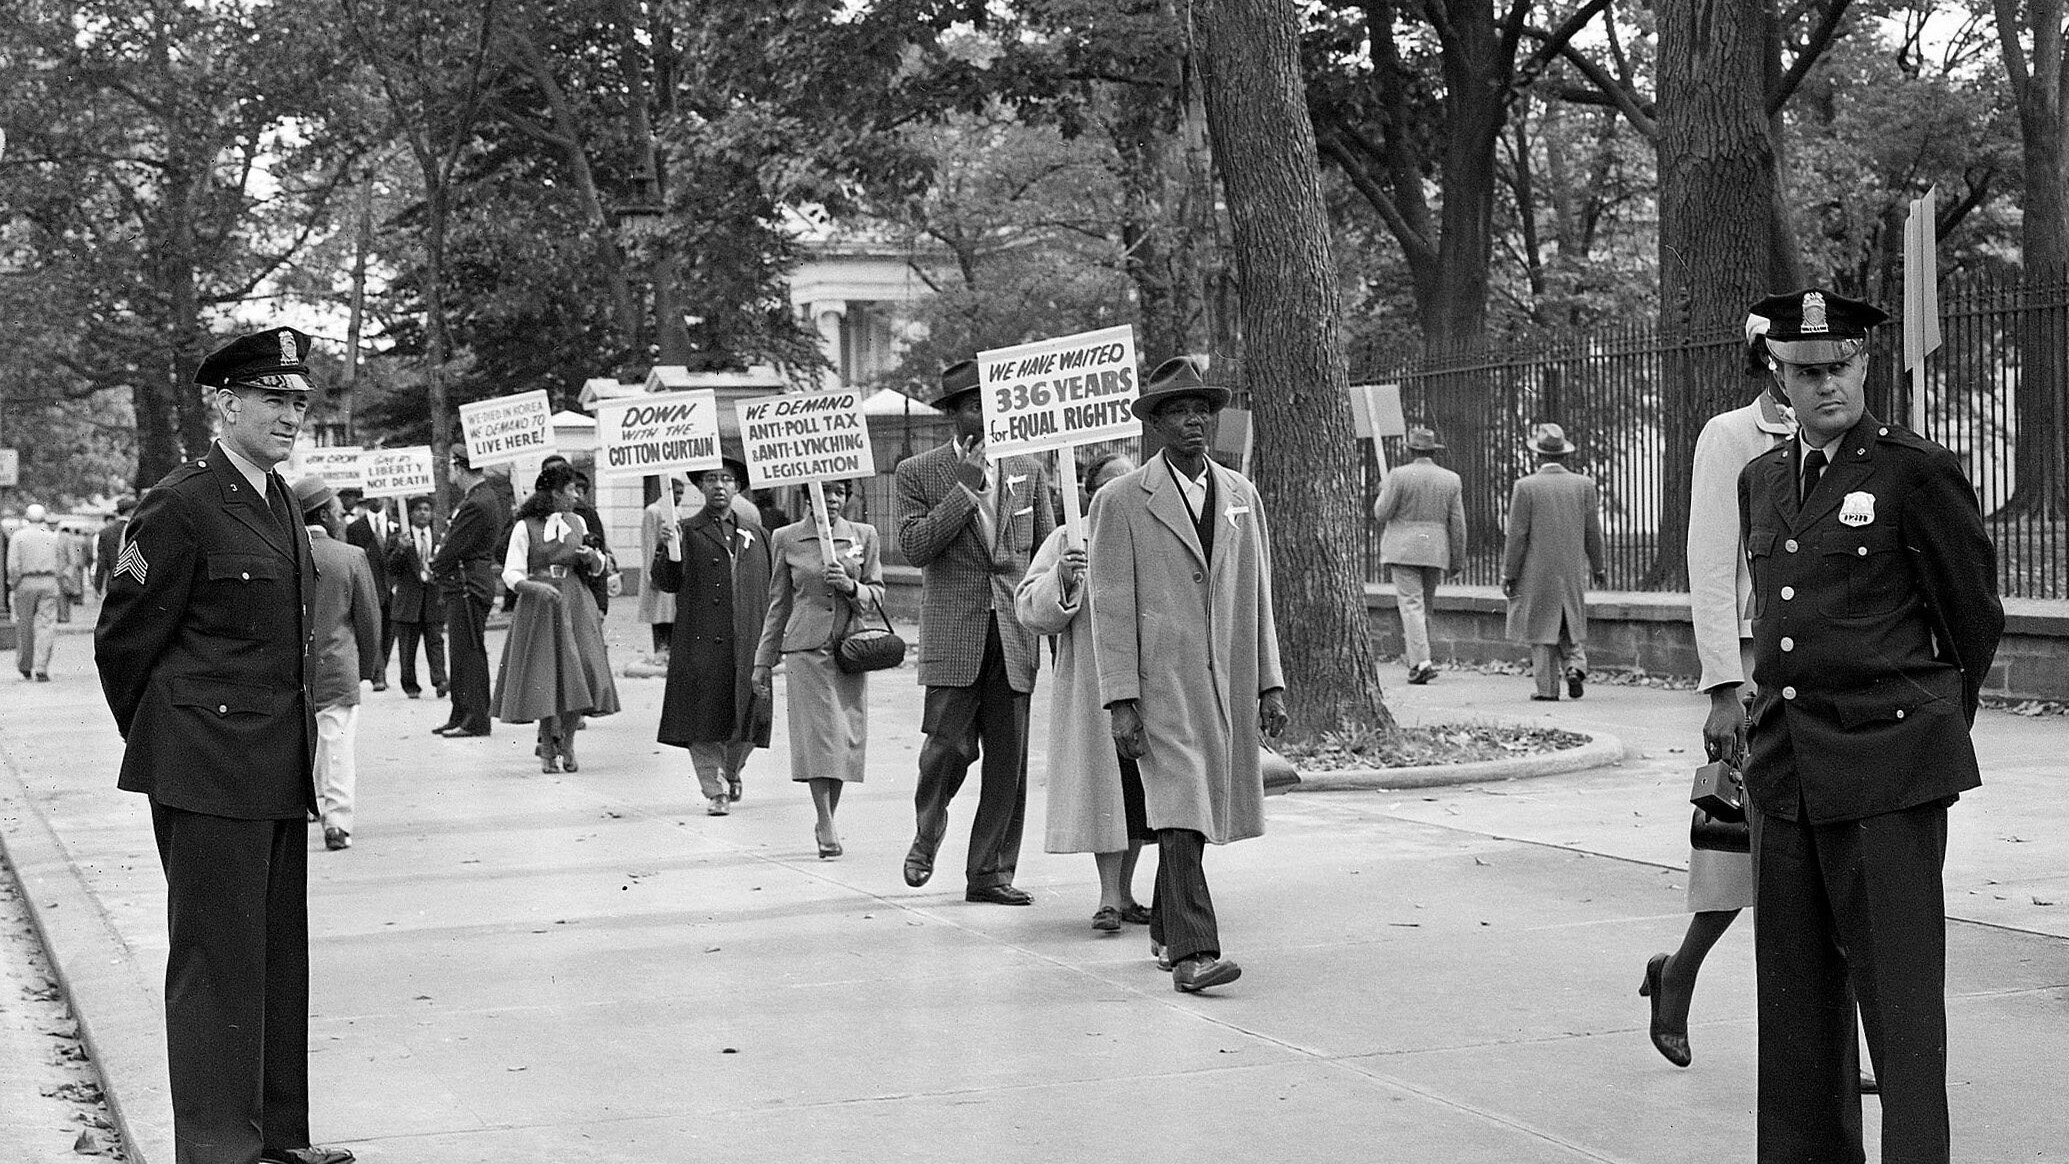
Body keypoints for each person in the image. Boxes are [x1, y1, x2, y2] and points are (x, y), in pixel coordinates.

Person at [1736, 288, 2003, 1164]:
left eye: (1839, 368)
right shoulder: (1762, 478)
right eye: (1805, 371)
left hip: (1887, 770)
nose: (1825, 386)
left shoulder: (1910, 470)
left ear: (1863, 365)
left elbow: (1971, 615)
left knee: (1899, 1011)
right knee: (1794, 1008)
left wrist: (1926, 734)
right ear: (1777, 378)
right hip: (1788, 770)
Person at [94, 325, 356, 1164]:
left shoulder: (278, 496)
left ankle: (277, 1137)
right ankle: (216, 1148)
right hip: (206, 767)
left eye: (299, 404)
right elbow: (123, 641)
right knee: (215, 964)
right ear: (225, 404)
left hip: (276, 763)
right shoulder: (180, 501)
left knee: (277, 957)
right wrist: (175, 740)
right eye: (275, 402)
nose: (291, 418)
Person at [1089, 355, 1286, 993]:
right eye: (1178, 411)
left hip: (1223, 677)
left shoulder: (1241, 495)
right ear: (1156, 425)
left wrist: (1269, 681)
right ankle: (1195, 954)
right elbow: (1110, 605)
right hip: (1159, 681)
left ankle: (1167, 927)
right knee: (1179, 806)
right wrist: (1119, 696)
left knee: (1193, 807)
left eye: (1201, 409)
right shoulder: (1119, 500)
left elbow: (1257, 594)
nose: (1193, 420)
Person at [1640, 314, 1795, 1071]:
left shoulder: (1852, 430)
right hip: (1755, 669)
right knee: (1735, 847)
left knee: (1836, 858)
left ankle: (1828, 1037)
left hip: (1831, 667)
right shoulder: (1730, 436)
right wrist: (1721, 687)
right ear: (1764, 358)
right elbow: (1709, 563)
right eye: (1790, 352)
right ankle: (1677, 974)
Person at [894, 358, 1055, 905]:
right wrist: (963, 493)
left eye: (992, 404)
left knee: (1008, 761)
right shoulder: (917, 472)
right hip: (954, 634)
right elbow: (915, 548)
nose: (983, 416)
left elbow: (1046, 554)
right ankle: (928, 827)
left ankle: (990, 872)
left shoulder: (1029, 470)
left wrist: (1060, 611)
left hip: (1014, 633)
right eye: (971, 405)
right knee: (946, 748)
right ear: (952, 415)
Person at [1017, 451, 1155, 932]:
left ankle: (1128, 891)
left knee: (1141, 794)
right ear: (1093, 493)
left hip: (1150, 681)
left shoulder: (1152, 532)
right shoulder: (1068, 540)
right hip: (1096, 686)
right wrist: (1064, 577)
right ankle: (1108, 897)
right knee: (1107, 787)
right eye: (1108, 484)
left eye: (1128, 481)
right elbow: (1029, 610)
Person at [751, 479, 886, 858]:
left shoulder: (864, 535)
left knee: (843, 739)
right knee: (818, 739)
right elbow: (778, 602)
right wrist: (764, 660)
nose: (831, 499)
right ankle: (825, 822)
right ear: (806, 497)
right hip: (805, 650)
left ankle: (827, 816)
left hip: (850, 649)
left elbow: (877, 593)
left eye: (839, 492)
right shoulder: (786, 538)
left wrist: (851, 586)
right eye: (823, 492)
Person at [653, 458, 773, 815]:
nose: (719, 485)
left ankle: (732, 768)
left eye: (727, 479)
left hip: (748, 642)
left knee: (750, 717)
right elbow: (667, 583)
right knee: (703, 719)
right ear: (700, 487)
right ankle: (714, 789)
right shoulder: (686, 531)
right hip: (701, 641)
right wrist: (668, 551)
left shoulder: (757, 534)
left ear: (738, 487)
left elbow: (772, 590)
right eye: (711, 479)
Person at [493, 463, 621, 771]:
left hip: (576, 601)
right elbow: (511, 572)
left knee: (582, 671)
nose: (576, 496)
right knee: (546, 674)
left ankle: (569, 743)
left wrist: (592, 559)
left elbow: (598, 565)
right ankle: (547, 744)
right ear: (553, 493)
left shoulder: (577, 521)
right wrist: (533, 587)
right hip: (539, 605)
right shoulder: (524, 526)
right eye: (570, 490)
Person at [294, 476, 382, 852]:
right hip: (337, 667)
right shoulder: (351, 556)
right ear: (327, 514)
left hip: (293, 670)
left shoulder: (286, 556)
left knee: (304, 738)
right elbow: (369, 621)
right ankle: (339, 821)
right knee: (338, 744)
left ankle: (309, 803)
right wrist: (366, 669)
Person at [1501, 423, 1605, 701]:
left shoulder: (1525, 487)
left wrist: (1509, 573)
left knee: (1541, 629)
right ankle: (1575, 666)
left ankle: (1547, 689)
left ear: (1538, 456)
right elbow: (1592, 531)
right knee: (1569, 621)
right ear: (1565, 455)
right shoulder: (1584, 485)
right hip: (1571, 570)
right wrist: (1599, 566)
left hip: (1536, 572)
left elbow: (1517, 535)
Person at [1370, 426, 1467, 685]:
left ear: (1411, 450)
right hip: (1435, 549)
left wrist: (1384, 490)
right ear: (1432, 451)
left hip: (1403, 549)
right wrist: (1458, 559)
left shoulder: (1399, 475)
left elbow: (1381, 513)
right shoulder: (1451, 479)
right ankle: (1420, 659)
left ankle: (1422, 662)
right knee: (1424, 605)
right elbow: (1457, 523)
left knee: (1411, 605)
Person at [429, 446, 505, 738]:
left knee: (469, 652)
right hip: (464, 583)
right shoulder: (478, 498)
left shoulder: (477, 501)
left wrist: (435, 565)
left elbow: (456, 545)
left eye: (452, 467)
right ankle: (460, 713)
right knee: (460, 652)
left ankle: (474, 718)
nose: (450, 473)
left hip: (467, 583)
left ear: (460, 468)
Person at [385, 496, 448, 699]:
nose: (423, 513)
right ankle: (410, 684)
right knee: (407, 647)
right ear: (411, 514)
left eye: (427, 509)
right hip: (408, 601)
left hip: (432, 600)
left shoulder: (440, 538)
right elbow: (390, 568)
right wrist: (401, 549)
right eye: (419, 509)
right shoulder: (399, 538)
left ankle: (440, 680)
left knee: (435, 642)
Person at [341, 489, 395, 691]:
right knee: (375, 628)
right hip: (369, 584)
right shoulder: (356, 528)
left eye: (381, 494)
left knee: (390, 632)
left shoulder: (397, 524)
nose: (377, 499)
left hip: (392, 587)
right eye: (372, 495)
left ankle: (382, 669)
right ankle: (377, 674)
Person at [9, 503, 65, 681]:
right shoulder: (52, 537)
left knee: (24, 625)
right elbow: (60, 562)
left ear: (26, 517)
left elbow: (13, 565)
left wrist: (14, 583)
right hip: (48, 581)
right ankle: (41, 667)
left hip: (25, 581)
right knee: (46, 626)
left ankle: (25, 665)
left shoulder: (18, 537)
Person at [638, 478, 684, 658]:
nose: (679, 497)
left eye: (682, 493)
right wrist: (652, 574)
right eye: (676, 493)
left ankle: (671, 650)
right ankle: (660, 649)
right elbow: (648, 543)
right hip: (658, 568)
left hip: (673, 569)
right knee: (658, 613)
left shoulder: (678, 511)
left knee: (671, 613)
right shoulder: (653, 511)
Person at [92, 496, 138, 596]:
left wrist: (98, 586)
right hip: (135, 581)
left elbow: (102, 563)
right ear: (130, 512)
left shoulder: (105, 533)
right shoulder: (137, 529)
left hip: (113, 581)